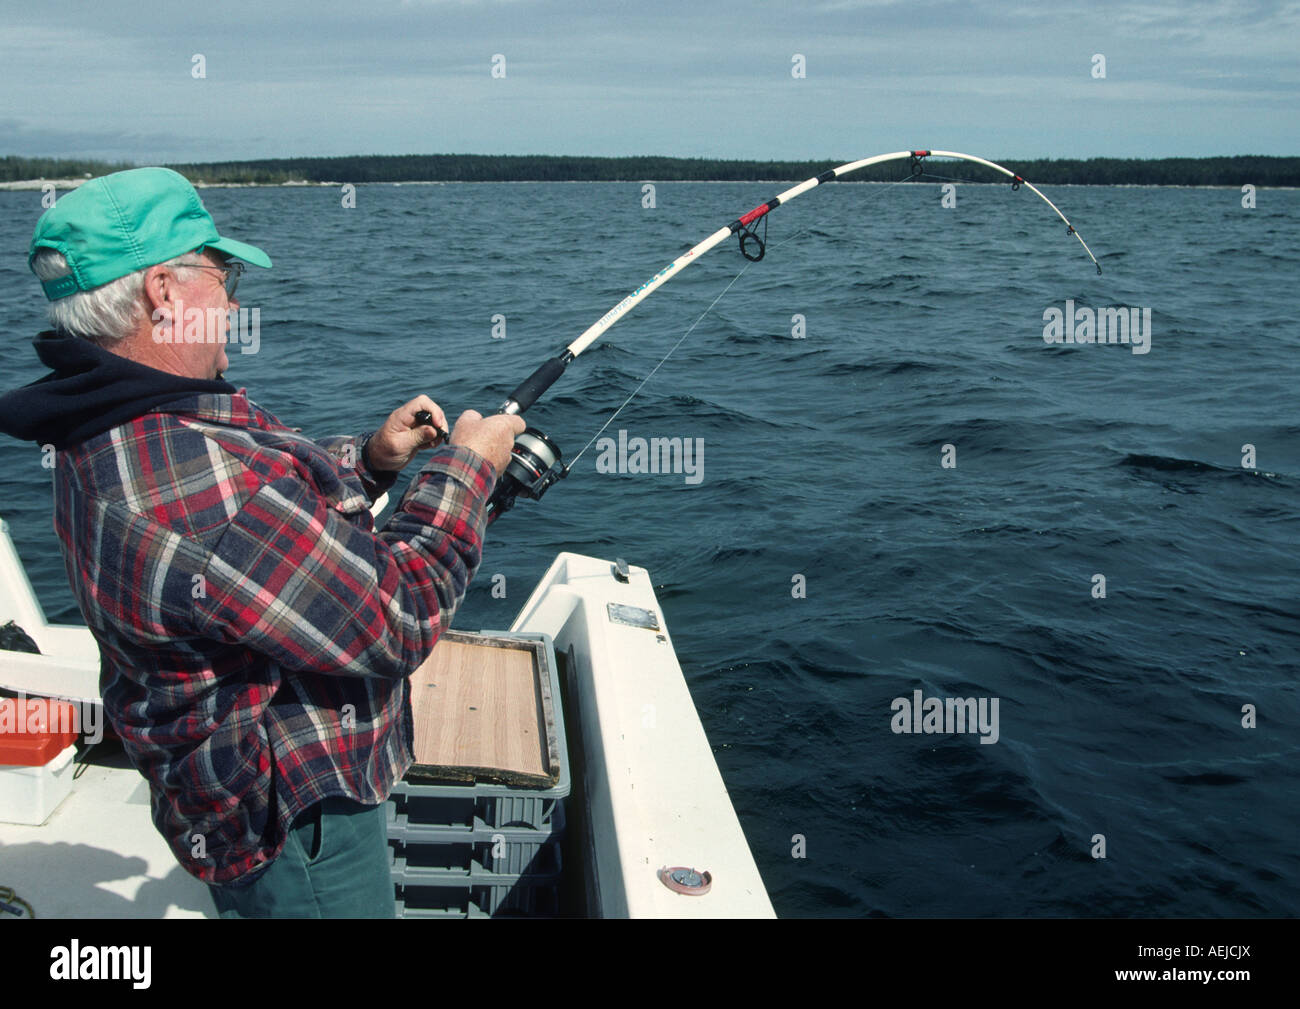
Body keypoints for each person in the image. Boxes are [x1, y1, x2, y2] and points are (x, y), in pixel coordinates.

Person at [0, 167, 525, 917]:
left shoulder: (107, 424)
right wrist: (467, 472)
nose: (235, 298)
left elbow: (251, 508)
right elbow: (398, 613)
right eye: (223, 273)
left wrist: (369, 461)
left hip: (219, 799)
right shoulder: (195, 489)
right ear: (164, 294)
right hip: (296, 827)